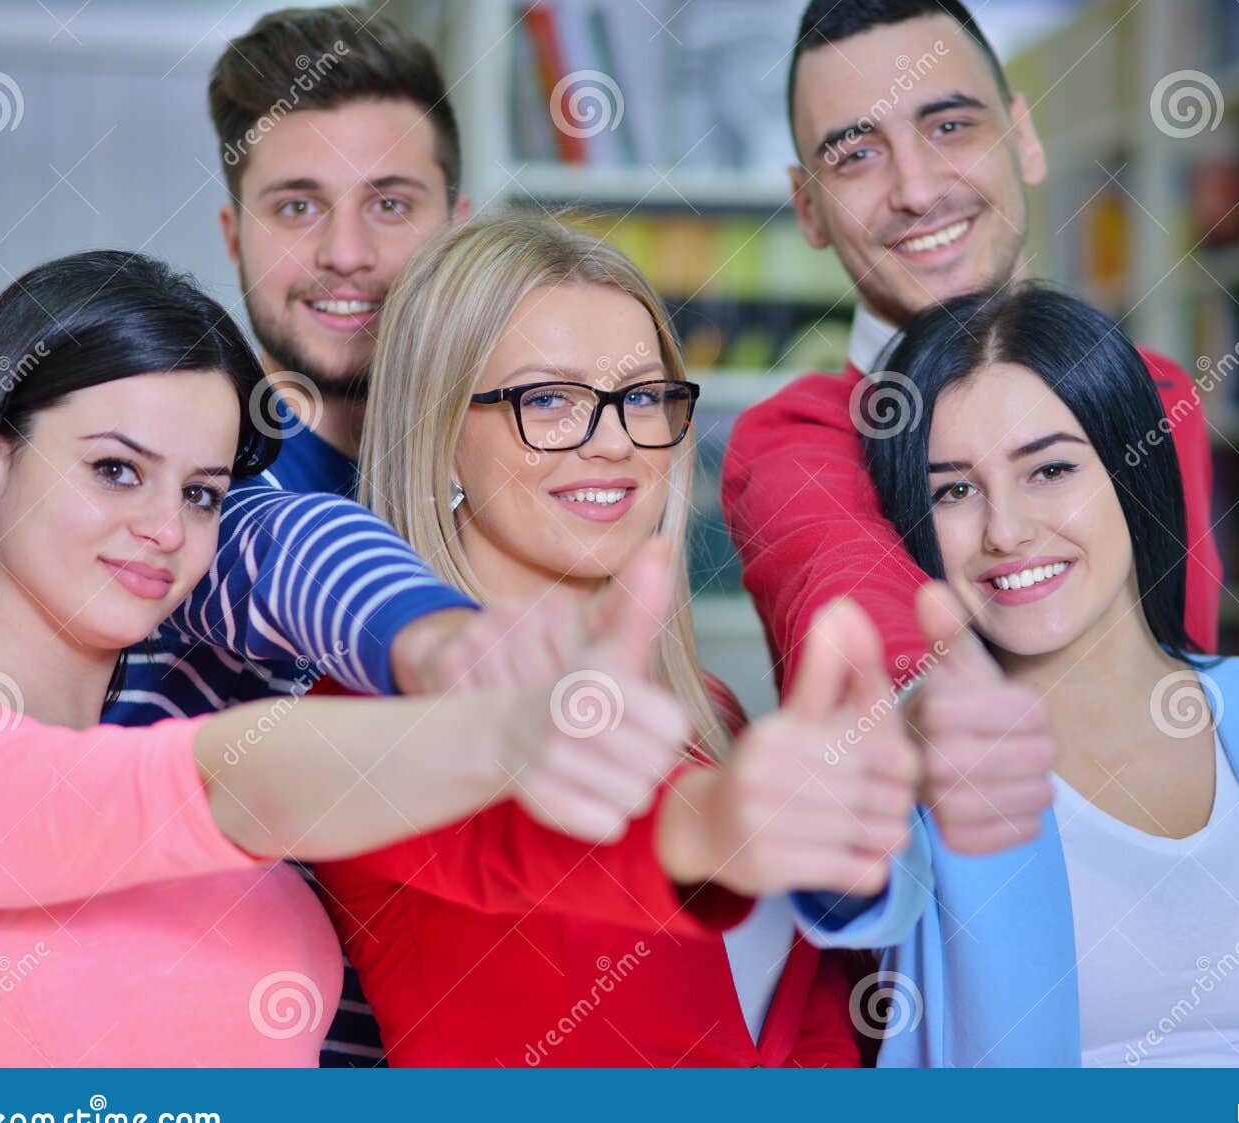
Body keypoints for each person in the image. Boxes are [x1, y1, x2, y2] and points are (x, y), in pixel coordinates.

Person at [0, 251, 687, 1066]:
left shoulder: (215, 715)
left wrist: (721, 823)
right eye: (115, 471)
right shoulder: (18, 764)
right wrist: (489, 711)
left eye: (202, 494)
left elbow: (282, 541)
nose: (164, 528)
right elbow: (230, 778)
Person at [314, 215, 921, 1066]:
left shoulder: (712, 714)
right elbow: (578, 852)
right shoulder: (372, 714)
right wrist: (726, 824)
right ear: (441, 436)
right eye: (549, 400)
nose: (613, 442)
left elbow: (811, 1021)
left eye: (642, 397)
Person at [794, 284, 1239, 1068]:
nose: (1006, 531)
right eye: (953, 490)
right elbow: (845, 891)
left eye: (1049, 470)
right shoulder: (930, 751)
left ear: (1133, 471)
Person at [105, 6, 493, 1064]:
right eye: (296, 206)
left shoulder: (523, 479)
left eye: (390, 203)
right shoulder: (182, 502)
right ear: (234, 233)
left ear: (454, 224)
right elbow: (285, 553)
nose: (347, 254)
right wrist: (444, 646)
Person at [722, 0, 1222, 701]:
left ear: (1025, 137)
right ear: (808, 208)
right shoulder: (795, 441)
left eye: (951, 127)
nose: (919, 192)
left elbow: (1177, 655)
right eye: (856, 155)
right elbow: (851, 605)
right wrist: (935, 715)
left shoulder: (1158, 390)